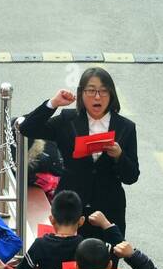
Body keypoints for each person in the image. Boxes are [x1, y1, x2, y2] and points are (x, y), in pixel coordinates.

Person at [19, 69, 138, 238]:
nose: (97, 97)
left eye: (103, 91)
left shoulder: (125, 127)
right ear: (81, 94)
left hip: (108, 208)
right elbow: (27, 128)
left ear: (111, 94)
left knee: (108, 259)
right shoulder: (68, 120)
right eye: (91, 90)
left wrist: (119, 156)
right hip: (69, 207)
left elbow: (131, 176)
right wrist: (53, 103)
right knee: (66, 260)